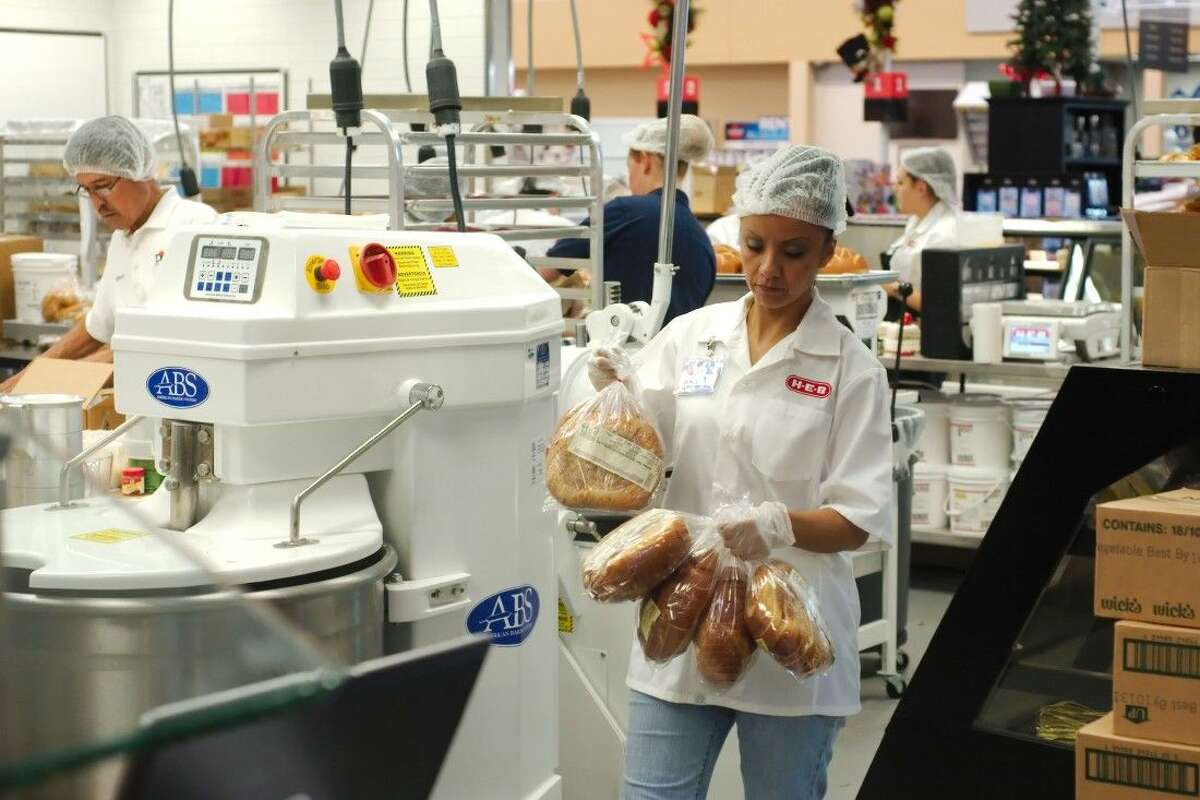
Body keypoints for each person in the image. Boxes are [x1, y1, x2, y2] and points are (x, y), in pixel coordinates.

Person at [588, 145, 894, 799]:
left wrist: (778, 525)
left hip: (791, 620)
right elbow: (638, 450)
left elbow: (861, 520)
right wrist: (610, 394)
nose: (768, 269)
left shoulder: (850, 370)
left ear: (828, 250)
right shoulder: (692, 336)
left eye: (794, 252)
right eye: (754, 245)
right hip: (680, 606)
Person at [0, 116, 218, 392]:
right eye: (86, 190)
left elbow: (172, 338)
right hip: (136, 400)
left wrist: (60, 377)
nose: (97, 203)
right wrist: (28, 375)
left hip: (184, 395)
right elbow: (97, 327)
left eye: (103, 185)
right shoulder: (122, 239)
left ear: (139, 171)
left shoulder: (194, 226)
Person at [547, 115, 717, 326]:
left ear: (646, 160)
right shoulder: (701, 239)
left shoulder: (625, 211)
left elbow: (548, 268)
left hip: (618, 352)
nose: (629, 177)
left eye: (629, 168)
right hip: (675, 356)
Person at [884, 146, 959, 314]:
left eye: (901, 182)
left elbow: (940, 303)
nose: (895, 189)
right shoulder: (916, 221)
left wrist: (894, 288)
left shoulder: (945, 234)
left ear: (921, 188)